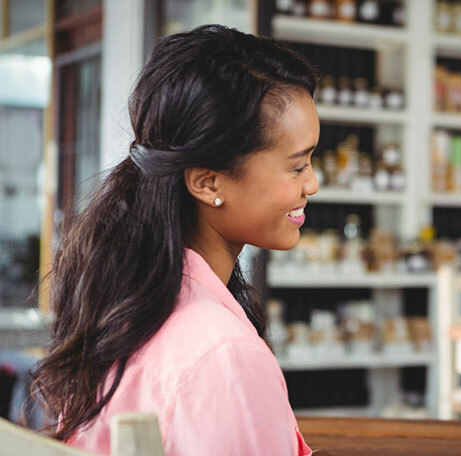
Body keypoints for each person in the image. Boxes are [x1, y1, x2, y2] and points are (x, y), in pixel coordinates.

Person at [30, 25, 318, 455]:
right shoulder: (224, 355)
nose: (312, 184)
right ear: (207, 182)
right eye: (297, 167)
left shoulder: (128, 305)